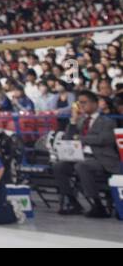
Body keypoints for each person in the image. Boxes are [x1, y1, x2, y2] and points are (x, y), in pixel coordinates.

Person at [52, 89, 121, 217]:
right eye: (80, 103)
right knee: (59, 166)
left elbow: (103, 140)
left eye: (84, 103)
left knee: (82, 166)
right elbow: (68, 138)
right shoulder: (80, 120)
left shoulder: (107, 121)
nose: (81, 106)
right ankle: (73, 202)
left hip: (101, 158)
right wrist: (72, 122)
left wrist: (80, 139)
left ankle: (98, 205)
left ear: (95, 103)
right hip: (80, 156)